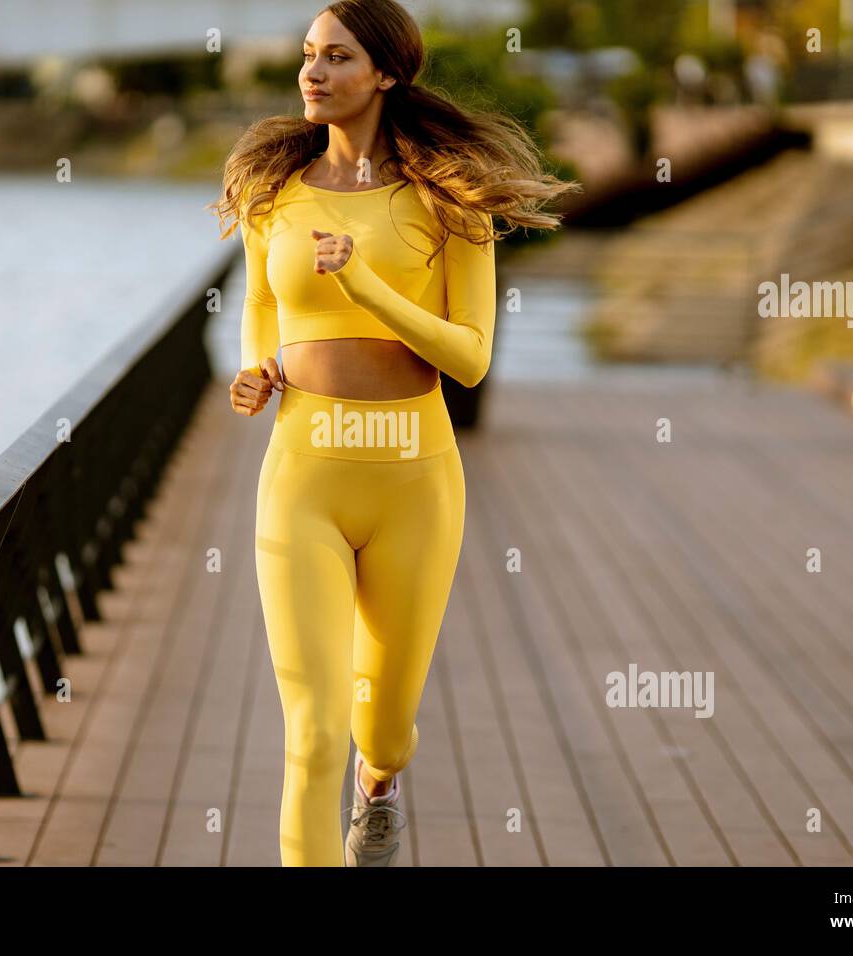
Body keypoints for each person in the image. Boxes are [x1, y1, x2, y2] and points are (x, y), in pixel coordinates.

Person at [210, 0, 580, 867]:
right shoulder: (274, 195)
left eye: (336, 57)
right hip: (301, 472)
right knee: (312, 731)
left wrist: (367, 284)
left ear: (385, 72)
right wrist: (256, 367)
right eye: (307, 54)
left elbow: (472, 359)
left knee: (381, 725)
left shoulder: (453, 201)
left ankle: (380, 786)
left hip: (415, 479)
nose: (312, 72)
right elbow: (264, 304)